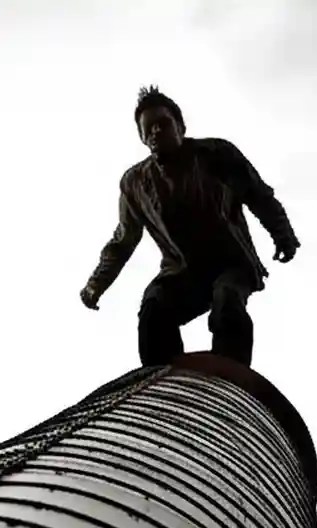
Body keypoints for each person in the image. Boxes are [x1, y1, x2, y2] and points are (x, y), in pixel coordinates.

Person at [79, 85, 301, 366]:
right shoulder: (135, 184)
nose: (156, 132)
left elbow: (258, 194)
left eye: (163, 124)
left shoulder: (216, 154)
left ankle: (230, 375)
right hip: (183, 273)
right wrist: (96, 284)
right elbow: (123, 240)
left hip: (231, 263)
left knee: (226, 301)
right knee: (154, 307)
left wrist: (283, 235)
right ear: (143, 139)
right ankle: (162, 379)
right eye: (149, 130)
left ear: (181, 127)